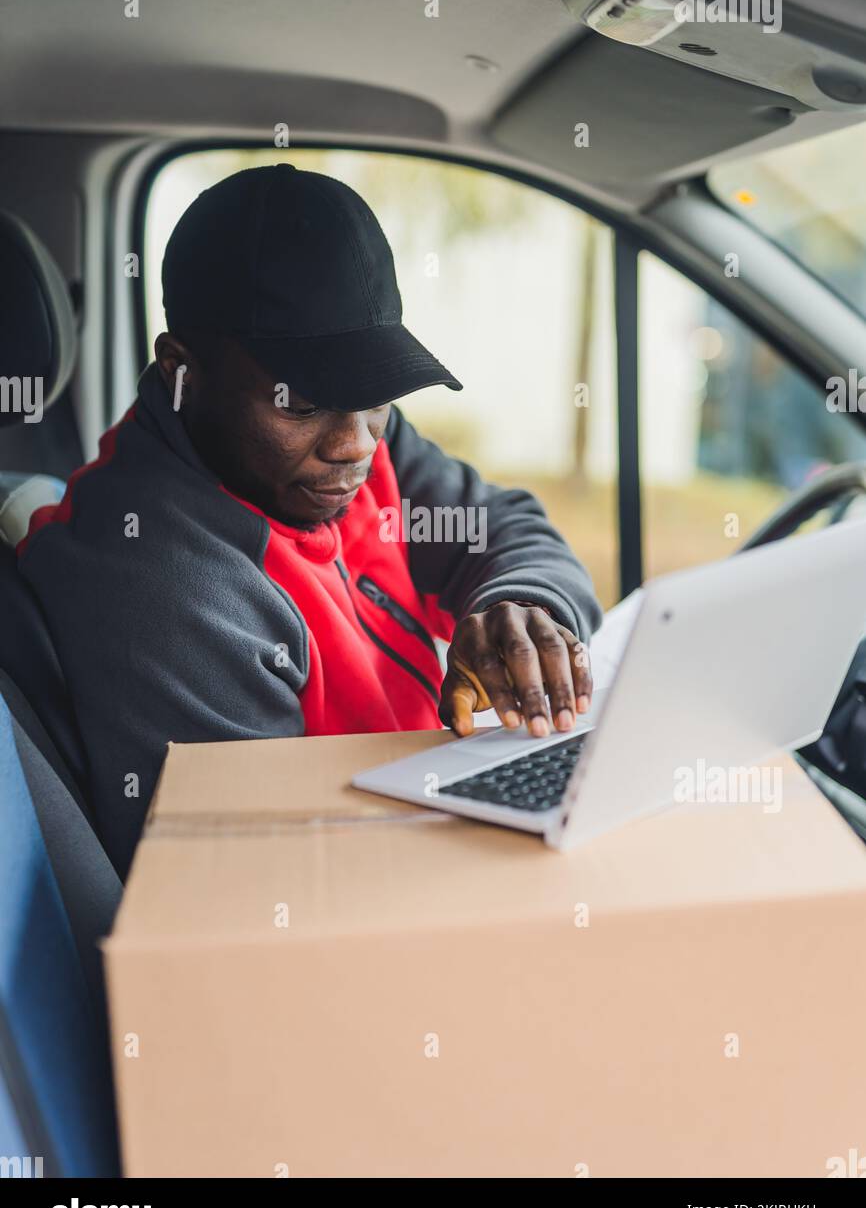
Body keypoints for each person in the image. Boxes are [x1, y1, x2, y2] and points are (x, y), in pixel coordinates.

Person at [19, 165, 602, 879]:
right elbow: (267, 880)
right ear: (181, 371)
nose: (355, 444)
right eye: (300, 404)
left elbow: (504, 527)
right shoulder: (161, 586)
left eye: (376, 393)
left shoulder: (341, 446)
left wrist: (520, 607)